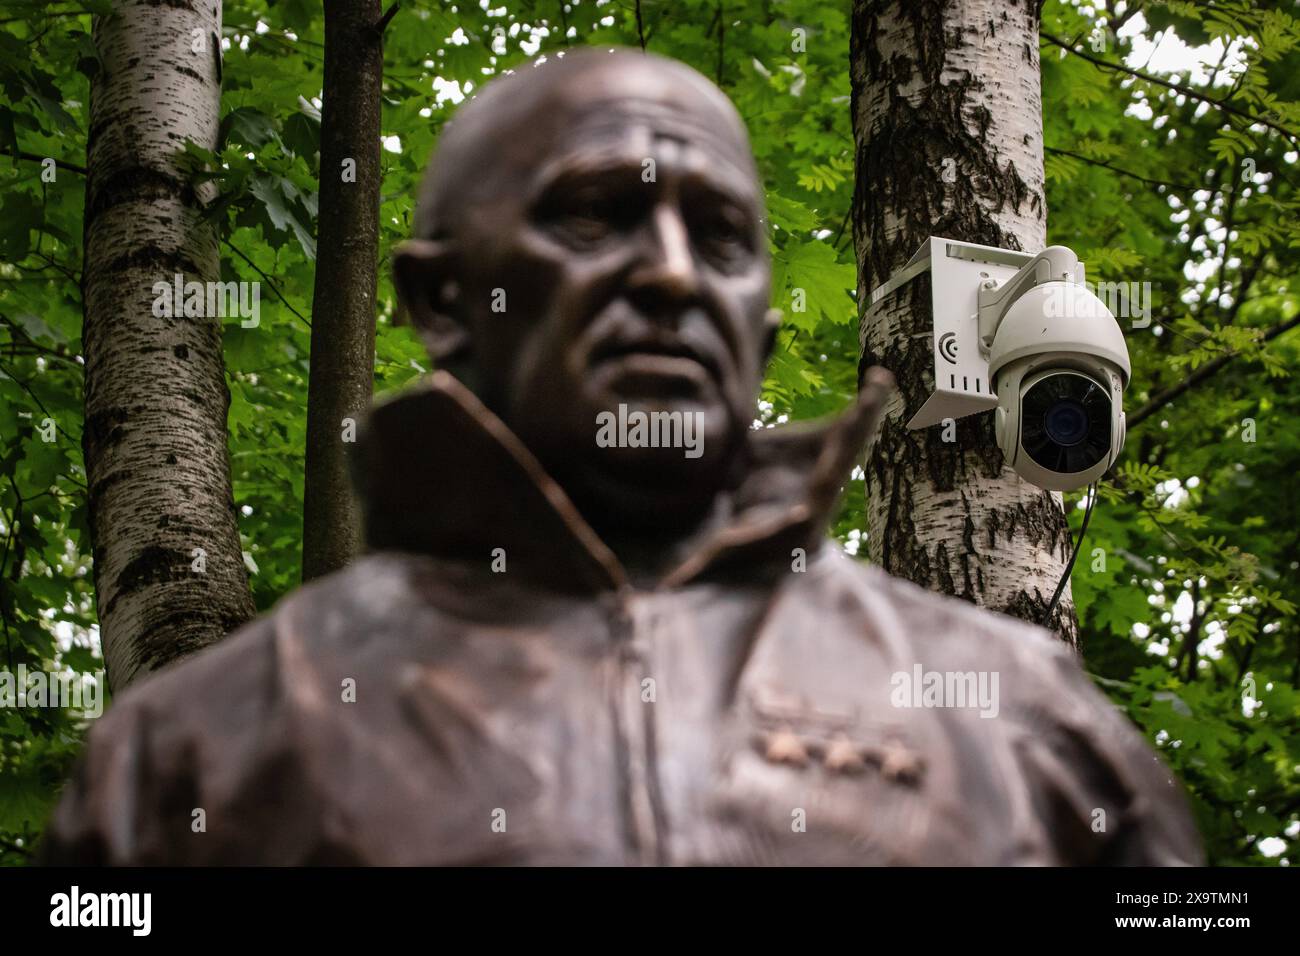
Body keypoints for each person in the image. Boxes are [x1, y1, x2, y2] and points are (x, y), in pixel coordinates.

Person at [43, 48, 1201, 865]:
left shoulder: (1022, 722)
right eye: (594, 215)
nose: (672, 274)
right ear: (443, 300)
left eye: (722, 238)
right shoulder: (204, 750)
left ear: (761, 326)